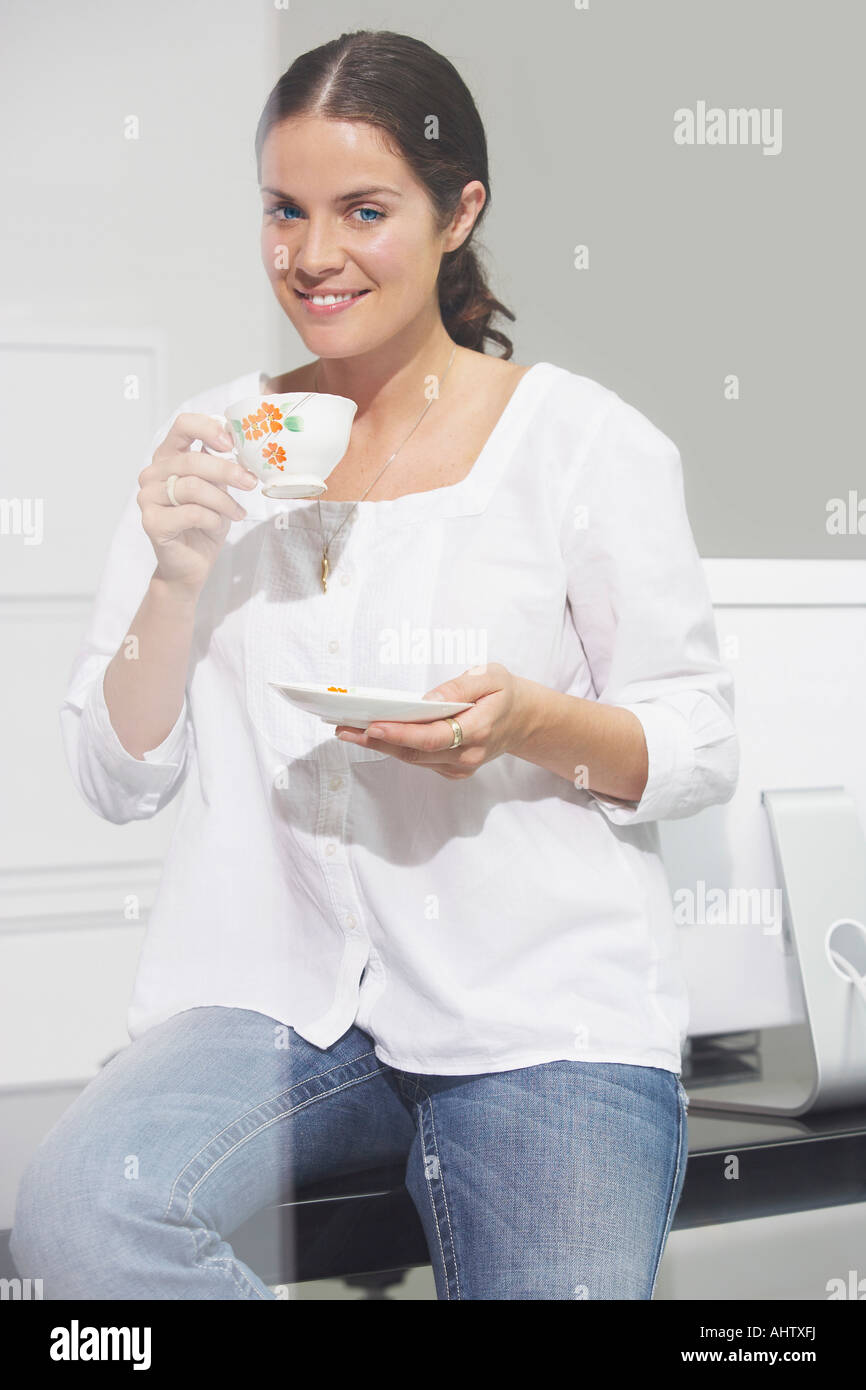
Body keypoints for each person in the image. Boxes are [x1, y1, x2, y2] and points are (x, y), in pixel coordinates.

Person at [11, 28, 738, 1300]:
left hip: (536, 1015)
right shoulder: (216, 446)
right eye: (284, 210)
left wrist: (523, 720)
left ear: (460, 212)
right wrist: (178, 573)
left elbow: (693, 743)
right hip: (272, 1000)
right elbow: (117, 776)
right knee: (80, 1222)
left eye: (363, 209)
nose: (313, 254)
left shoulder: (579, 444)